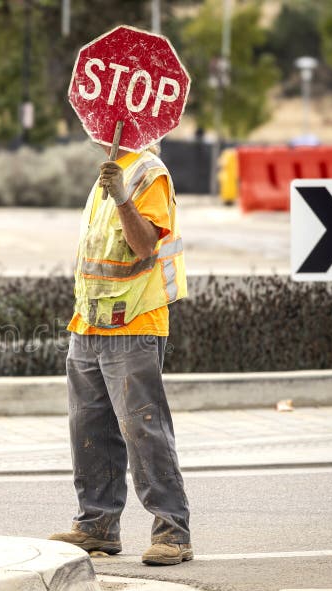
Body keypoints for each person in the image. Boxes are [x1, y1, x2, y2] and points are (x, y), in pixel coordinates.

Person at [48, 143, 192, 566]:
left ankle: (172, 531)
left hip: (133, 321)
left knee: (143, 428)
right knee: (88, 428)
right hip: (90, 321)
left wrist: (125, 196)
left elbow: (145, 245)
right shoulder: (107, 173)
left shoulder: (148, 173)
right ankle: (97, 525)